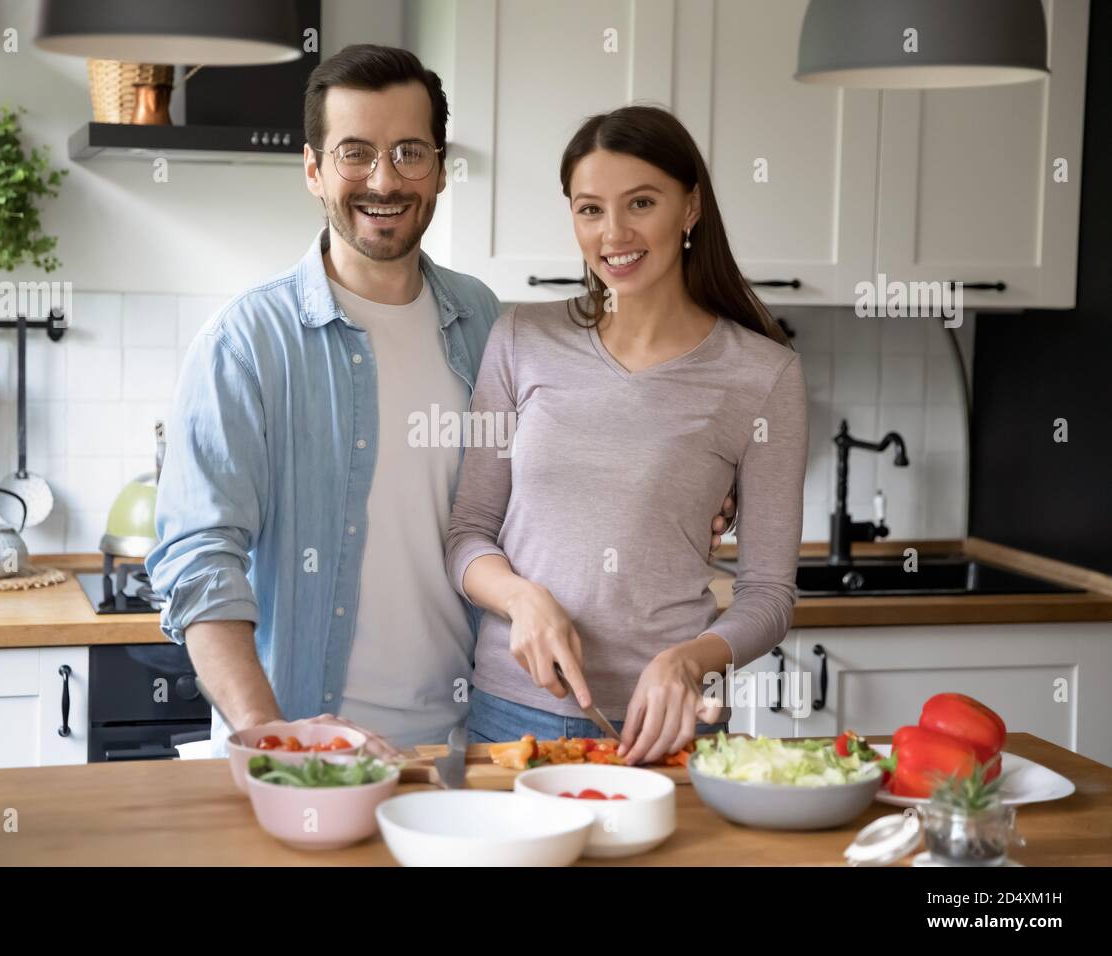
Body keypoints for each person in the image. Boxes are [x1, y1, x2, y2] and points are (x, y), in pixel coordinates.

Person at [146, 46, 737, 758]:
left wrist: (691, 483)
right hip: (310, 744)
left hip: (473, 738)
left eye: (408, 152)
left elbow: (549, 480)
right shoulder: (246, 343)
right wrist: (273, 736)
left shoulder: (485, 320)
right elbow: (199, 560)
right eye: (355, 153)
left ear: (441, 166)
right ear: (313, 169)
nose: (385, 179)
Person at [446, 105, 807, 765]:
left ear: (689, 206)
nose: (614, 233)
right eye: (590, 209)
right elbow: (467, 531)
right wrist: (520, 598)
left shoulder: (764, 375)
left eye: (641, 202)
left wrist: (689, 662)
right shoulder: (520, 338)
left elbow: (769, 594)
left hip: (666, 726)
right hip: (508, 712)